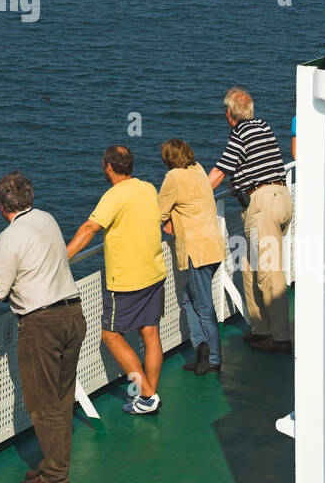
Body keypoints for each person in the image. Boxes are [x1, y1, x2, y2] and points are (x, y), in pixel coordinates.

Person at [0, 170, 86, 483]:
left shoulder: (9, 237)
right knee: (61, 398)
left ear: (3, 208)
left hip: (41, 322)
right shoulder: (48, 218)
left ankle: (55, 477)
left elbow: (0, 292)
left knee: (42, 403)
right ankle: (52, 465)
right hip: (72, 312)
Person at [67, 146, 166, 417]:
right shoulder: (148, 188)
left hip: (126, 280)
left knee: (110, 335)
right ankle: (148, 398)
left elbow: (90, 228)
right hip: (154, 272)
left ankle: (146, 394)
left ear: (109, 168)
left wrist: (62, 258)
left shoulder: (113, 196)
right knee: (150, 332)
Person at [208, 88, 292, 353]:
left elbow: (220, 172)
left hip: (263, 205)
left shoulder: (240, 133)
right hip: (280, 198)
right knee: (250, 266)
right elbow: (251, 164)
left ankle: (280, 338)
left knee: (269, 273)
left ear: (230, 114)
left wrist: (195, 197)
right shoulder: (262, 126)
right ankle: (261, 329)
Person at [158, 141, 226, 377]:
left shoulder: (173, 177)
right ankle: (202, 349)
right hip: (214, 247)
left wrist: (168, 219)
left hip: (196, 252)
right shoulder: (197, 169)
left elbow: (160, 211)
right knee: (190, 299)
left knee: (203, 306)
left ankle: (213, 358)